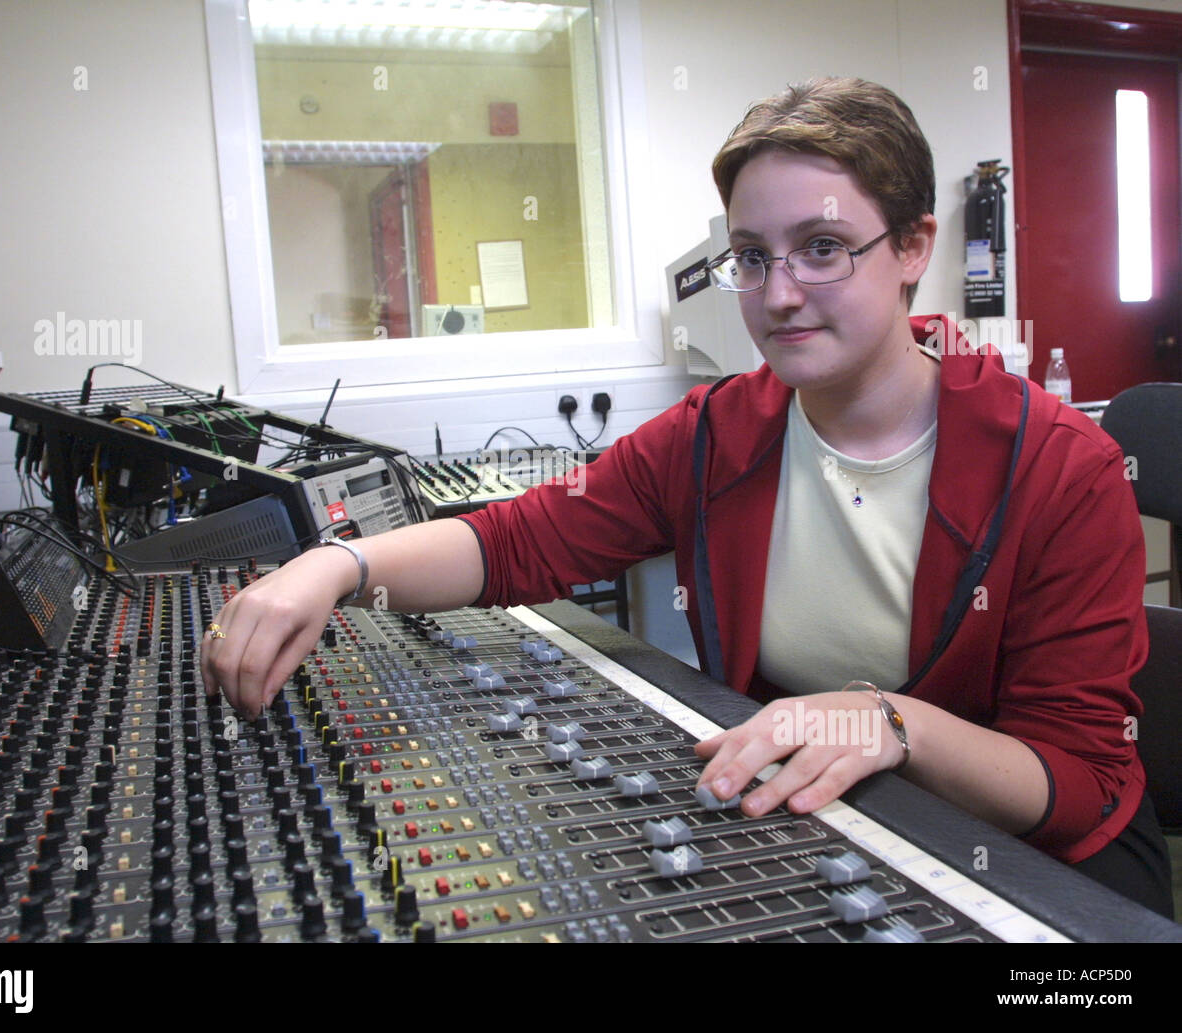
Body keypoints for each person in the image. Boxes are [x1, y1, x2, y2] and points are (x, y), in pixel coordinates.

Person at [201, 77, 1173, 918]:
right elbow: (518, 542)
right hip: (836, 830)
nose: (778, 292)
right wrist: (338, 564)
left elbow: (1078, 784)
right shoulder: (720, 432)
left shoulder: (1060, 468)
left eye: (822, 247)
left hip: (1037, 880)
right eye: (751, 256)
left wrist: (884, 720)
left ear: (914, 246)